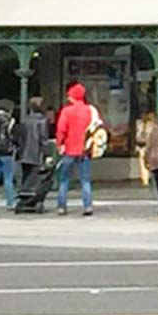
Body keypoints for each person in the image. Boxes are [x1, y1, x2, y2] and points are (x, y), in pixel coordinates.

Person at [55, 82, 96, 216]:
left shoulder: (67, 111)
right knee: (85, 180)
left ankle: (61, 206)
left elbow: (61, 129)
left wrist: (60, 144)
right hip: (84, 149)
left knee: (64, 179)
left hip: (69, 148)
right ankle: (87, 206)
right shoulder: (89, 110)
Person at [15, 96, 51, 211]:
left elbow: (20, 137)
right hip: (36, 154)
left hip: (24, 153)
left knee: (26, 177)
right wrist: (47, 154)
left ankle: (24, 197)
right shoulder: (42, 121)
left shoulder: (25, 120)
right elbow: (43, 139)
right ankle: (33, 198)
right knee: (36, 179)